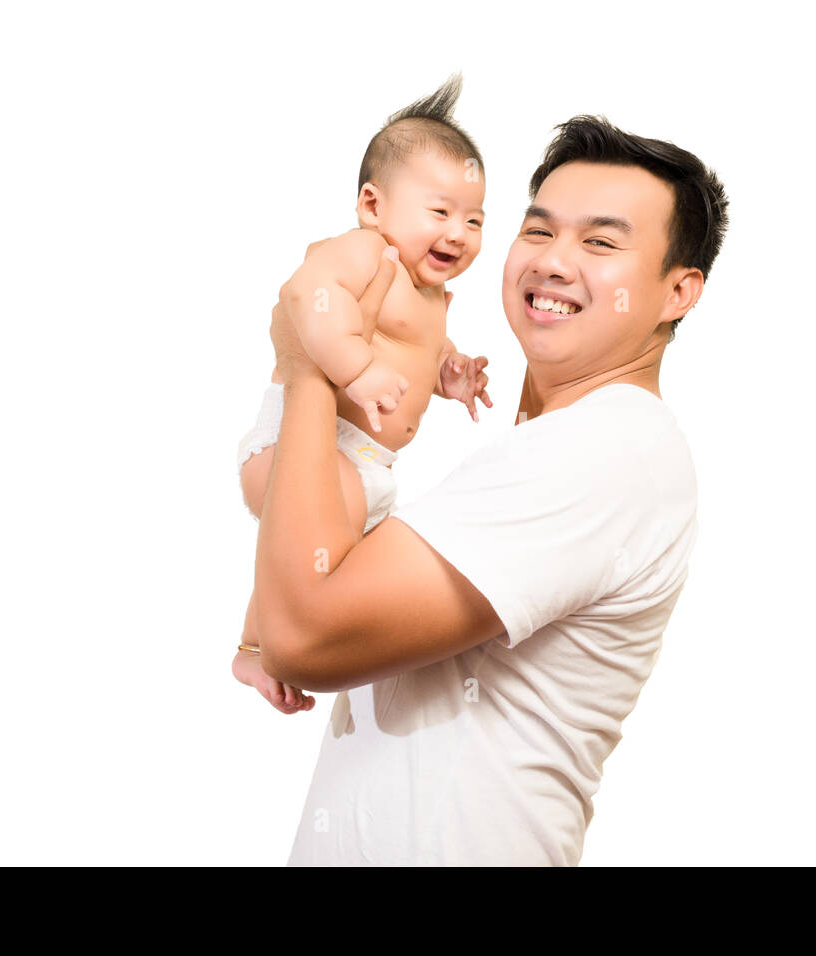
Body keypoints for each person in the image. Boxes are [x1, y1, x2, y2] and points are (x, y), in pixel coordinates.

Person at [233, 114, 730, 865]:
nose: (555, 262)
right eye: (538, 232)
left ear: (677, 291)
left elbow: (304, 636)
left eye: (599, 242)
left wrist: (309, 366)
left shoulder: (606, 447)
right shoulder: (554, 445)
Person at [233, 74, 493, 711]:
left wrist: (450, 374)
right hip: (310, 441)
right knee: (318, 562)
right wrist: (352, 368)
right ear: (374, 207)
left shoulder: (429, 294)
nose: (458, 232)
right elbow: (306, 297)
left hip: (366, 464)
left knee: (331, 563)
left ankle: (254, 649)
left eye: (474, 219)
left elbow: (419, 355)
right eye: (440, 212)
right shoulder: (365, 252)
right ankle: (261, 645)